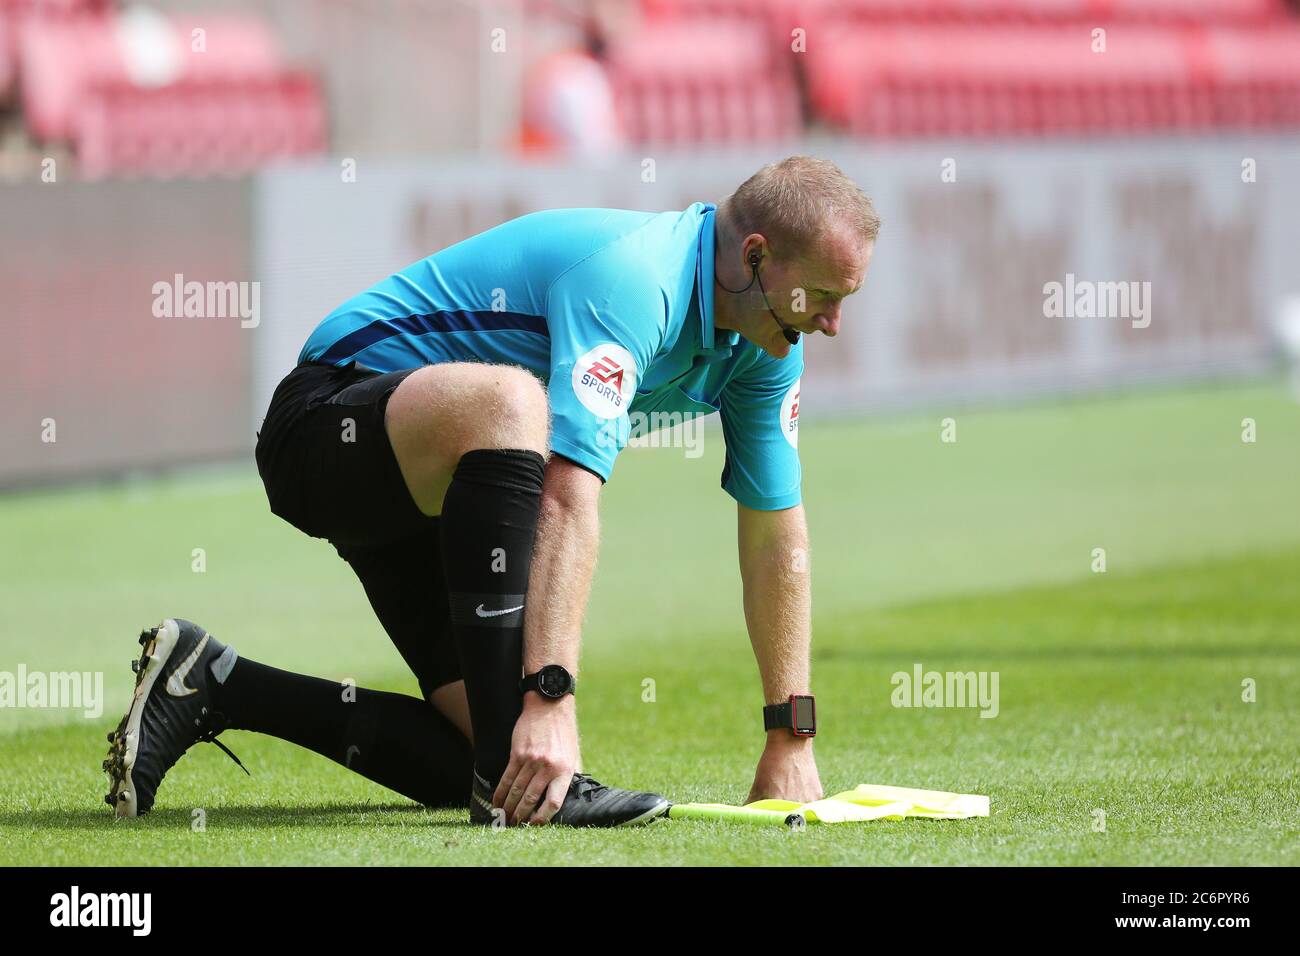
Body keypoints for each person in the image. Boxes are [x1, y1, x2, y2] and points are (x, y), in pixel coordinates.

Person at [103, 156, 879, 827]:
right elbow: (566, 497)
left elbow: (776, 531)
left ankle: (211, 681)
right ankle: (524, 756)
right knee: (515, 403)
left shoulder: (768, 343)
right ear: (755, 256)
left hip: (448, 497)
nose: (835, 323)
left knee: (502, 768)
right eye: (824, 295)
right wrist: (550, 697)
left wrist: (790, 738)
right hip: (324, 427)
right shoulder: (639, 279)